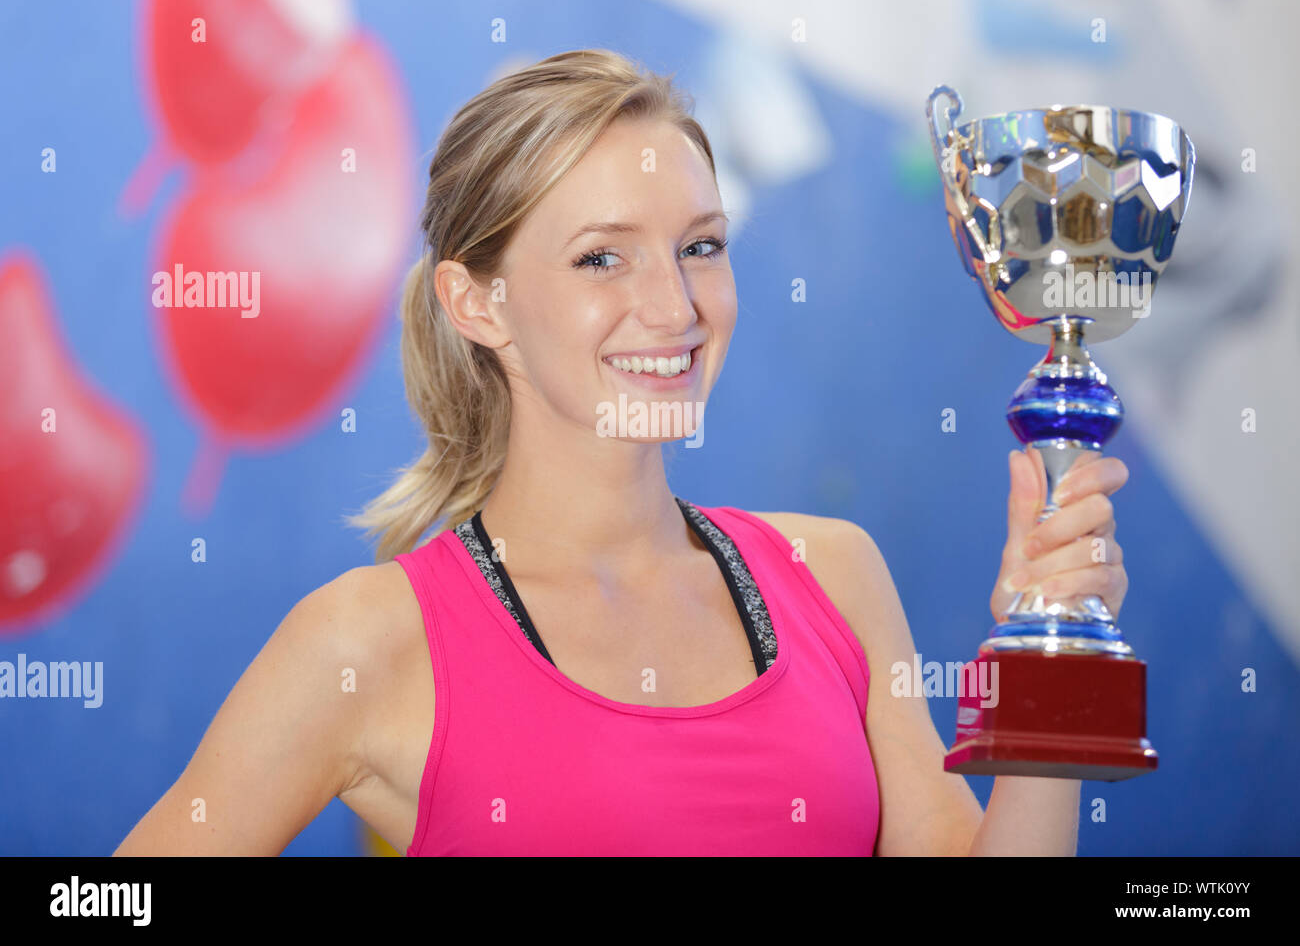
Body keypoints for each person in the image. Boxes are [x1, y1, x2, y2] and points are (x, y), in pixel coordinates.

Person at [114, 48, 1129, 856]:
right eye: (602, 256)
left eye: (699, 245)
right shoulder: (367, 640)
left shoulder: (836, 574)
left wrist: (1048, 637)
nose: (673, 307)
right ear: (478, 302)